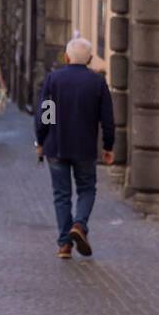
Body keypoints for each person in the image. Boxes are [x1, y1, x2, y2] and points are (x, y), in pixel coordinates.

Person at [35, 37, 115, 259]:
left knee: (61, 195)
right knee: (87, 189)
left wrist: (40, 140)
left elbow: (46, 115)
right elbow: (107, 119)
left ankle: (64, 245)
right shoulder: (97, 82)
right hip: (85, 147)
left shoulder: (53, 79)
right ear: (89, 59)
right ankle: (79, 225)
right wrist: (108, 145)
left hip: (56, 145)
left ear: (66, 57)